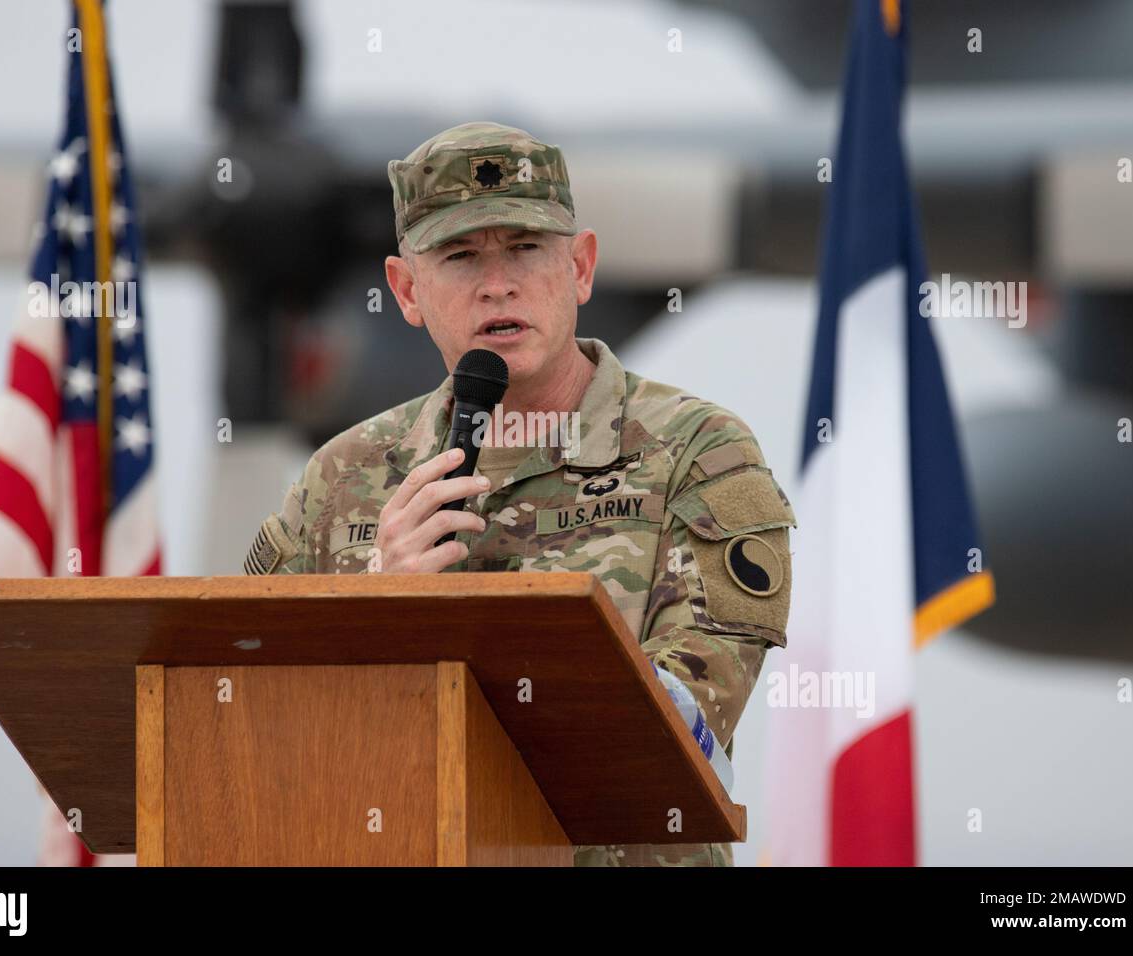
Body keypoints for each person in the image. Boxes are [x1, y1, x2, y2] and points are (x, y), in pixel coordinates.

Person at [244, 121, 796, 867]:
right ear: (407, 290)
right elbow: (247, 714)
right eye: (460, 256)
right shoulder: (341, 478)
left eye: (527, 249)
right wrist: (377, 608)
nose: (497, 283)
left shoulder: (698, 453)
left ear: (581, 268)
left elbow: (685, 719)